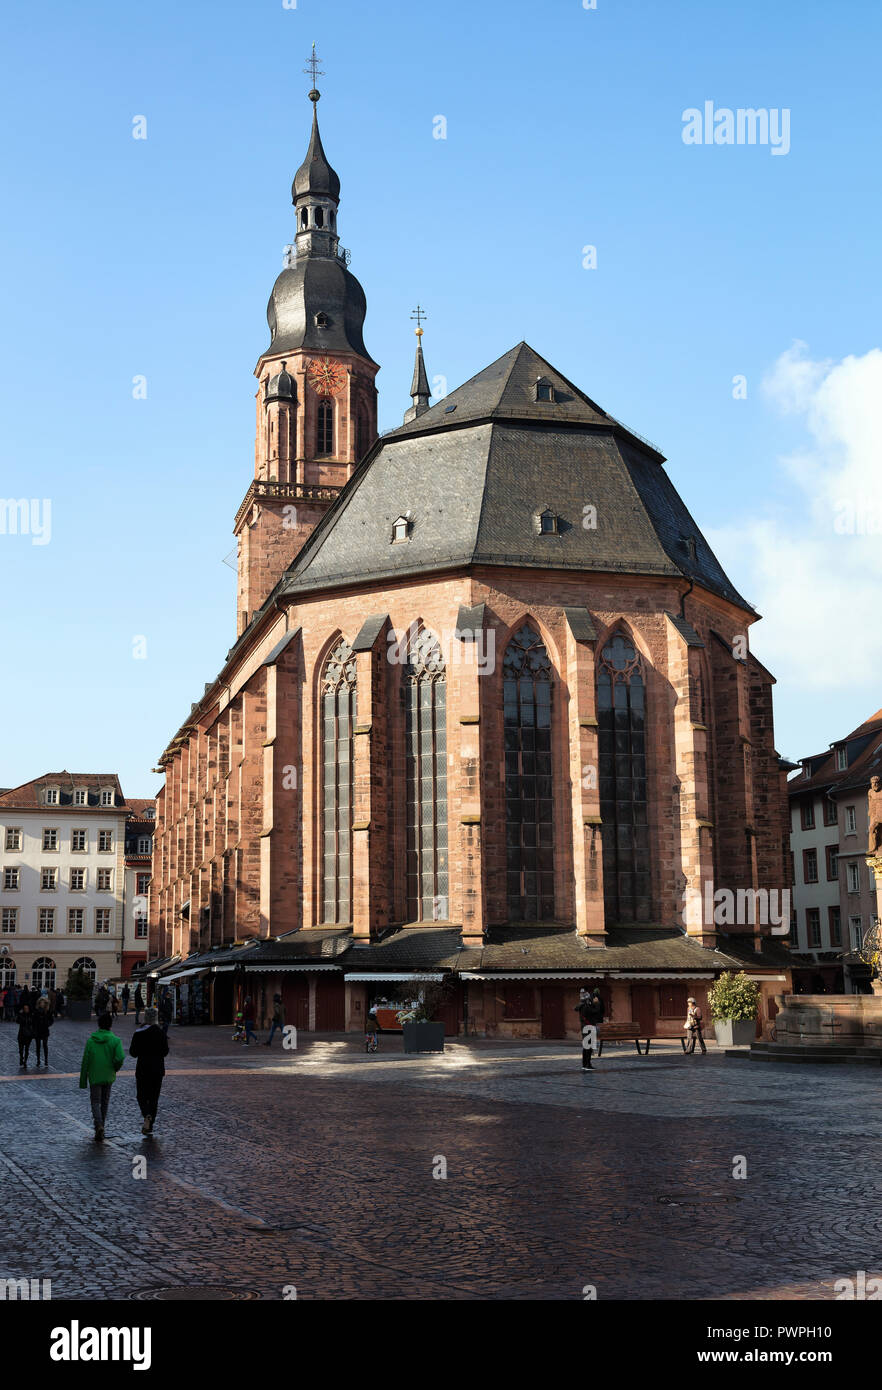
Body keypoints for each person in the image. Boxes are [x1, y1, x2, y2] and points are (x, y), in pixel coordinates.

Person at [78, 1012, 125, 1141]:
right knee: (105, 1102)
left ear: (99, 1024)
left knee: (95, 1102)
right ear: (110, 1025)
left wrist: (83, 1080)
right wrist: (115, 1067)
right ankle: (101, 1126)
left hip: (95, 1075)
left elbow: (85, 1061)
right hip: (108, 1075)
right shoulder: (115, 1040)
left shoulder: (91, 1041)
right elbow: (120, 1057)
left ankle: (98, 1125)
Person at [129, 1006, 169, 1135]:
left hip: (143, 1069)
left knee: (141, 1096)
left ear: (145, 1017)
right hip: (157, 1070)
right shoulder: (161, 1033)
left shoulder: (139, 1033)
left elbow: (133, 1053)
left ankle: (146, 1114)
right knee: (154, 1098)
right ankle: (150, 1125)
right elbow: (165, 1051)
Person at [575, 988, 605, 1070]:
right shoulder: (586, 1007)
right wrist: (597, 1003)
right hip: (589, 1027)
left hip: (584, 1027)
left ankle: (584, 1064)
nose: (590, 1000)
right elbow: (596, 1011)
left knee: (586, 1047)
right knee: (589, 1047)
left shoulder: (581, 1006)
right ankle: (588, 1065)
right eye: (589, 999)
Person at [32, 997, 53, 1067]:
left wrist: (47, 1024)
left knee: (45, 1045)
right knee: (38, 1046)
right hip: (37, 1030)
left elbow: (51, 1020)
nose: (42, 1004)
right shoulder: (36, 1011)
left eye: (43, 1003)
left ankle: (46, 1060)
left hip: (44, 1030)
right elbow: (33, 1020)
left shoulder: (48, 1011)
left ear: (45, 1004)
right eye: (41, 1003)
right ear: (39, 1003)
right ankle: (38, 1060)